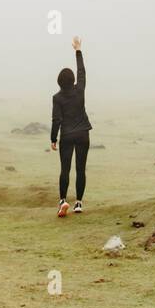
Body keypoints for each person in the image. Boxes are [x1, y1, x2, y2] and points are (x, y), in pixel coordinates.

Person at [50, 36, 91, 217]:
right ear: (73, 80)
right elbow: (81, 71)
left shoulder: (57, 98)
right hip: (83, 133)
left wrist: (53, 139)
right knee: (80, 169)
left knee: (65, 169)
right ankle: (79, 203)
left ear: (59, 82)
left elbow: (56, 120)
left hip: (66, 135)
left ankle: (63, 201)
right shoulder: (79, 89)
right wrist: (78, 50)